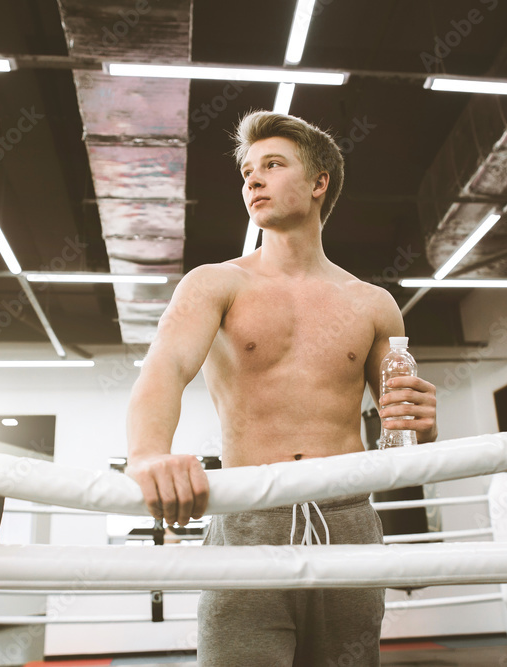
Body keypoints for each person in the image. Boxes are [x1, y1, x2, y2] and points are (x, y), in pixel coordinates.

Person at [125, 110, 437, 665]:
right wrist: (149, 454)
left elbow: (400, 439)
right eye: (247, 171)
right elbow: (165, 368)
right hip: (249, 514)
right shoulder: (216, 282)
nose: (253, 179)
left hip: (348, 519)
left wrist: (423, 427)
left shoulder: (373, 303)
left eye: (273, 165)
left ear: (319, 184)